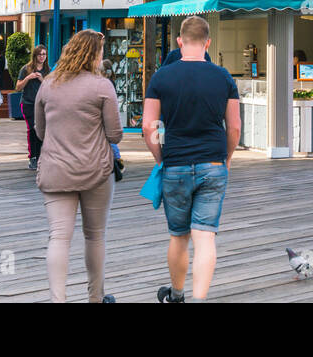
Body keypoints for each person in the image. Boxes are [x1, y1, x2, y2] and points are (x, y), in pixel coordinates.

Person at [142, 15, 240, 303]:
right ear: (208, 42)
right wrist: (228, 157)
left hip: (175, 164)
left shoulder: (162, 77)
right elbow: (233, 127)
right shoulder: (223, 76)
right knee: (205, 237)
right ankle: (199, 299)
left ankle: (177, 294)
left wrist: (161, 157)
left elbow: (150, 127)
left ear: (179, 41)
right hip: (213, 163)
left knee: (178, 236)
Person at [34, 29, 122, 303]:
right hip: (95, 170)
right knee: (95, 236)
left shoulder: (48, 84)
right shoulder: (102, 86)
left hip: (56, 170)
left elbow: (40, 131)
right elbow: (115, 135)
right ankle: (95, 297)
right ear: (94, 54)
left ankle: (57, 299)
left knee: (59, 237)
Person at [15, 45, 50, 170]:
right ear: (35, 55)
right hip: (28, 103)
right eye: (39, 54)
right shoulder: (26, 69)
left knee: (41, 130)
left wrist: (42, 79)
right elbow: (18, 87)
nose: (42, 57)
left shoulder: (48, 70)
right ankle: (33, 157)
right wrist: (28, 78)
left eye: (44, 54)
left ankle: (41, 155)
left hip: (43, 104)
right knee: (32, 129)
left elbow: (51, 88)